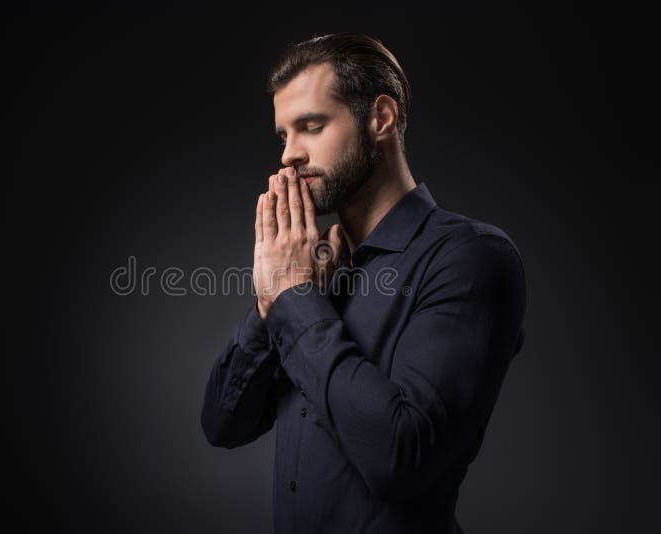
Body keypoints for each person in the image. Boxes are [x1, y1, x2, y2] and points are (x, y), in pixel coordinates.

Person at [200, 32, 526, 534]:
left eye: (310, 126)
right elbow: (223, 424)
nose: (289, 155)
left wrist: (293, 298)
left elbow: (401, 458)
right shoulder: (313, 271)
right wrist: (274, 299)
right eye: (283, 135)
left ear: (381, 119)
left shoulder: (471, 258)